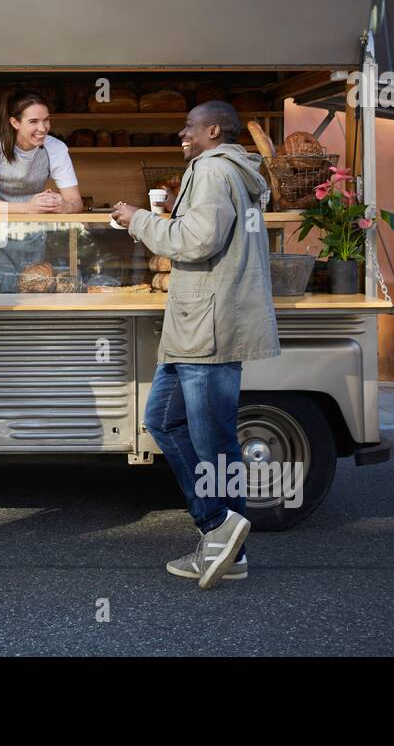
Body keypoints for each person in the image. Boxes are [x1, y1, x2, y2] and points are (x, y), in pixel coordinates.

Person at [112, 100, 279, 589]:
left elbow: (197, 240)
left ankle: (224, 538)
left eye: (188, 127)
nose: (182, 134)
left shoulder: (210, 171)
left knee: (214, 442)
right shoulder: (229, 171)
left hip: (207, 326)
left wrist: (139, 219)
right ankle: (220, 533)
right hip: (195, 325)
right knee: (163, 420)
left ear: (212, 130)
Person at [0, 89, 84, 291]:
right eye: (34, 122)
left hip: (29, 229)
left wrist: (64, 206)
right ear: (15, 123)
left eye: (46, 120)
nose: (43, 128)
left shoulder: (56, 148)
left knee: (29, 287)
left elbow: (76, 202)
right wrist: (28, 207)